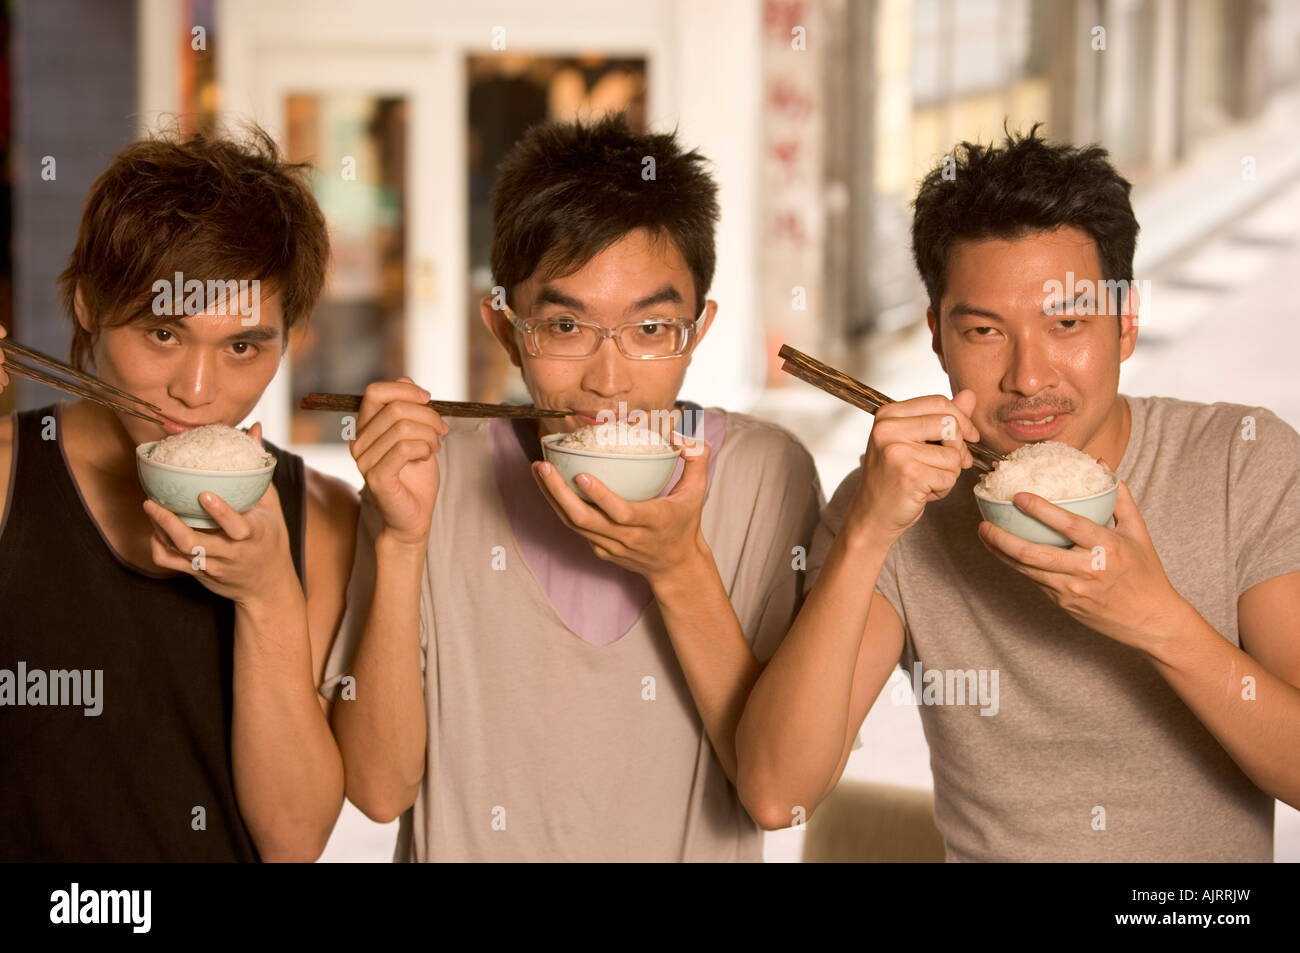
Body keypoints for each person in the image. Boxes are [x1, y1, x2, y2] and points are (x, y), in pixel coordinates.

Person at [736, 124, 1300, 861]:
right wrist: (870, 530)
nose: (1029, 377)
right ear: (937, 335)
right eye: (984, 331)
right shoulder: (895, 498)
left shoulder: (1239, 462)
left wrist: (1158, 620)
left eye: (1066, 322)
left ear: (1126, 321)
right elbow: (779, 792)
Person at [323, 114, 823, 861]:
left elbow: (778, 792)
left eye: (652, 329)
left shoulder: (764, 475)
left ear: (699, 328)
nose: (609, 378)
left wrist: (679, 567)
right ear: (505, 329)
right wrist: (399, 538)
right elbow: (377, 787)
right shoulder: (433, 474)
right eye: (564, 326)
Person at [0, 126, 357, 861]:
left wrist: (267, 597)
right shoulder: (9, 478)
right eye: (163, 332)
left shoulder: (321, 517)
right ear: (87, 306)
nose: (196, 392)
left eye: (242, 346)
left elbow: (292, 840)